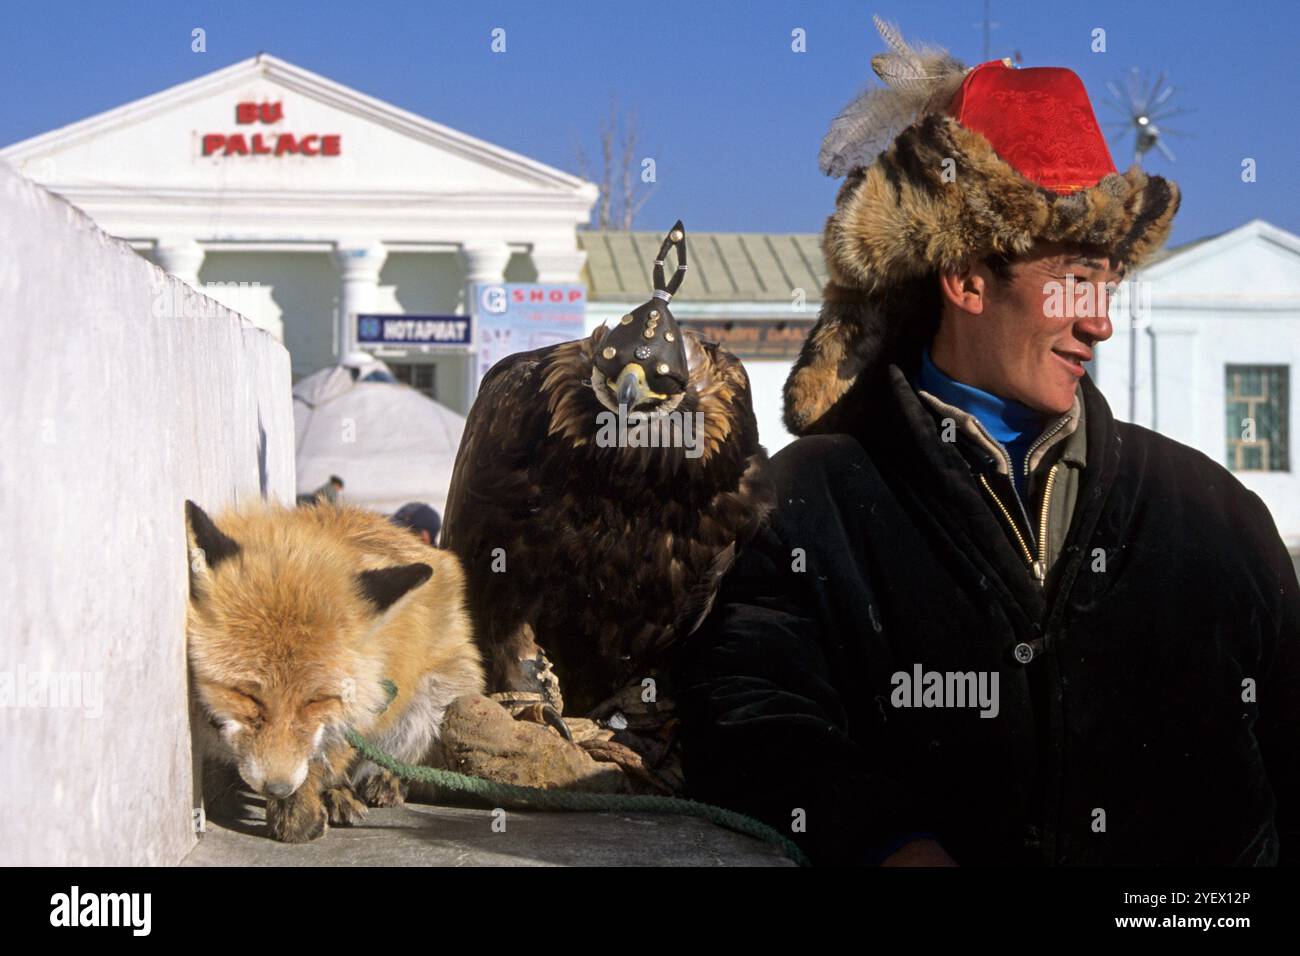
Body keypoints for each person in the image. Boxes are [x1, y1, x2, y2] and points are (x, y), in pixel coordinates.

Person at [671, 47, 1299, 866]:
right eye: (1074, 278)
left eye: (1108, 282)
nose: (1099, 321)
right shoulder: (804, 507)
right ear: (966, 277)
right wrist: (883, 838)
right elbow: (748, 720)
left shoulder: (1214, 516)